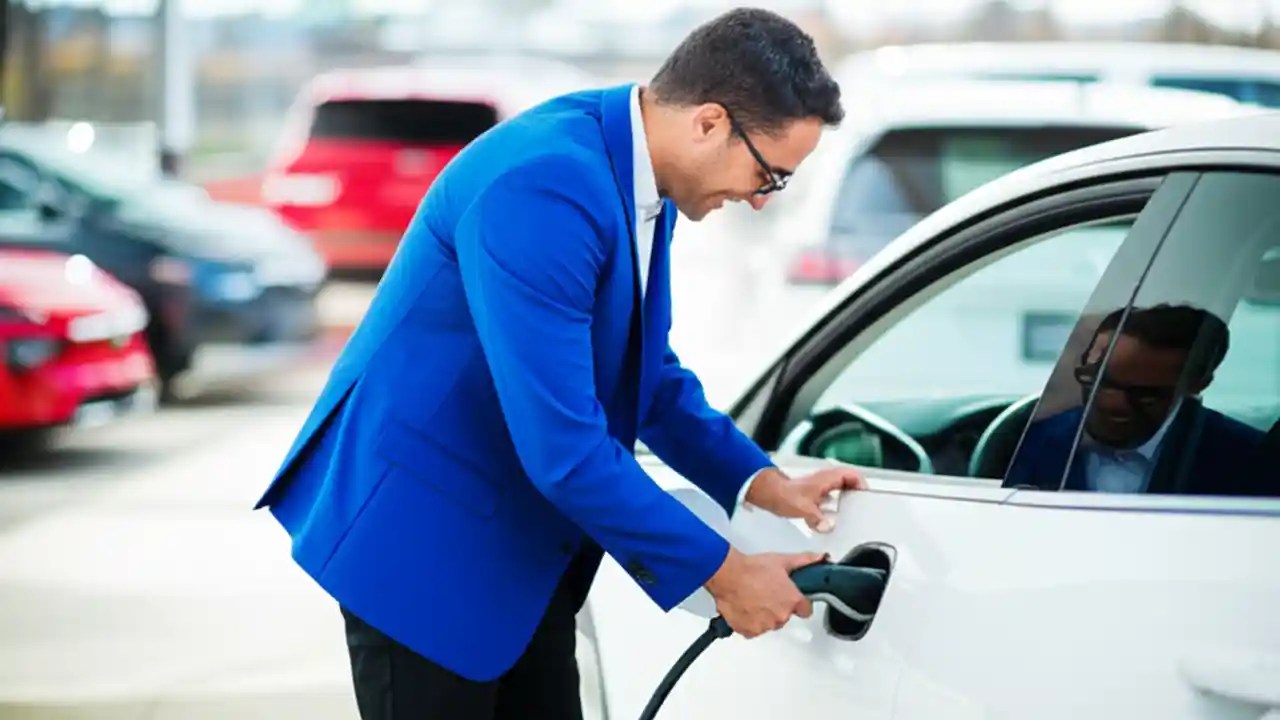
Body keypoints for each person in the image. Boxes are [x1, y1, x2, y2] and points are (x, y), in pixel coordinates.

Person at [252, 8, 865, 718]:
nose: (762, 201)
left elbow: (647, 375)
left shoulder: (638, 174)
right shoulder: (546, 185)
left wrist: (761, 482)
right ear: (708, 122)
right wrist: (726, 575)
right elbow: (566, 449)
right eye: (769, 175)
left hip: (518, 545)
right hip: (422, 546)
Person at [1006, 303, 1268, 496]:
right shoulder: (1028, 441)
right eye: (1100, 382)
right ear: (1083, 363)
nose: (1114, 404)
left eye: (1146, 395)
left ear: (1197, 385)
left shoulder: (1249, 459)